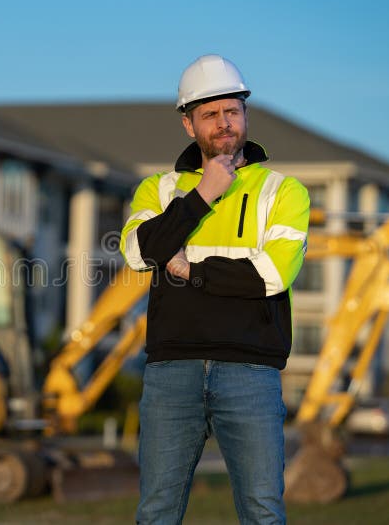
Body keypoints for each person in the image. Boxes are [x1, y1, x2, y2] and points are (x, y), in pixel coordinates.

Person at [120, 54, 310, 524]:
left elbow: (270, 275)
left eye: (233, 110)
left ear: (245, 114)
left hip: (250, 371)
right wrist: (203, 194)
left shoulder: (284, 192)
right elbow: (139, 253)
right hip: (172, 371)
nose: (224, 123)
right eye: (210, 114)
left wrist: (188, 270)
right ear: (189, 123)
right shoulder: (158, 190)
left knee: (263, 512)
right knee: (156, 513)